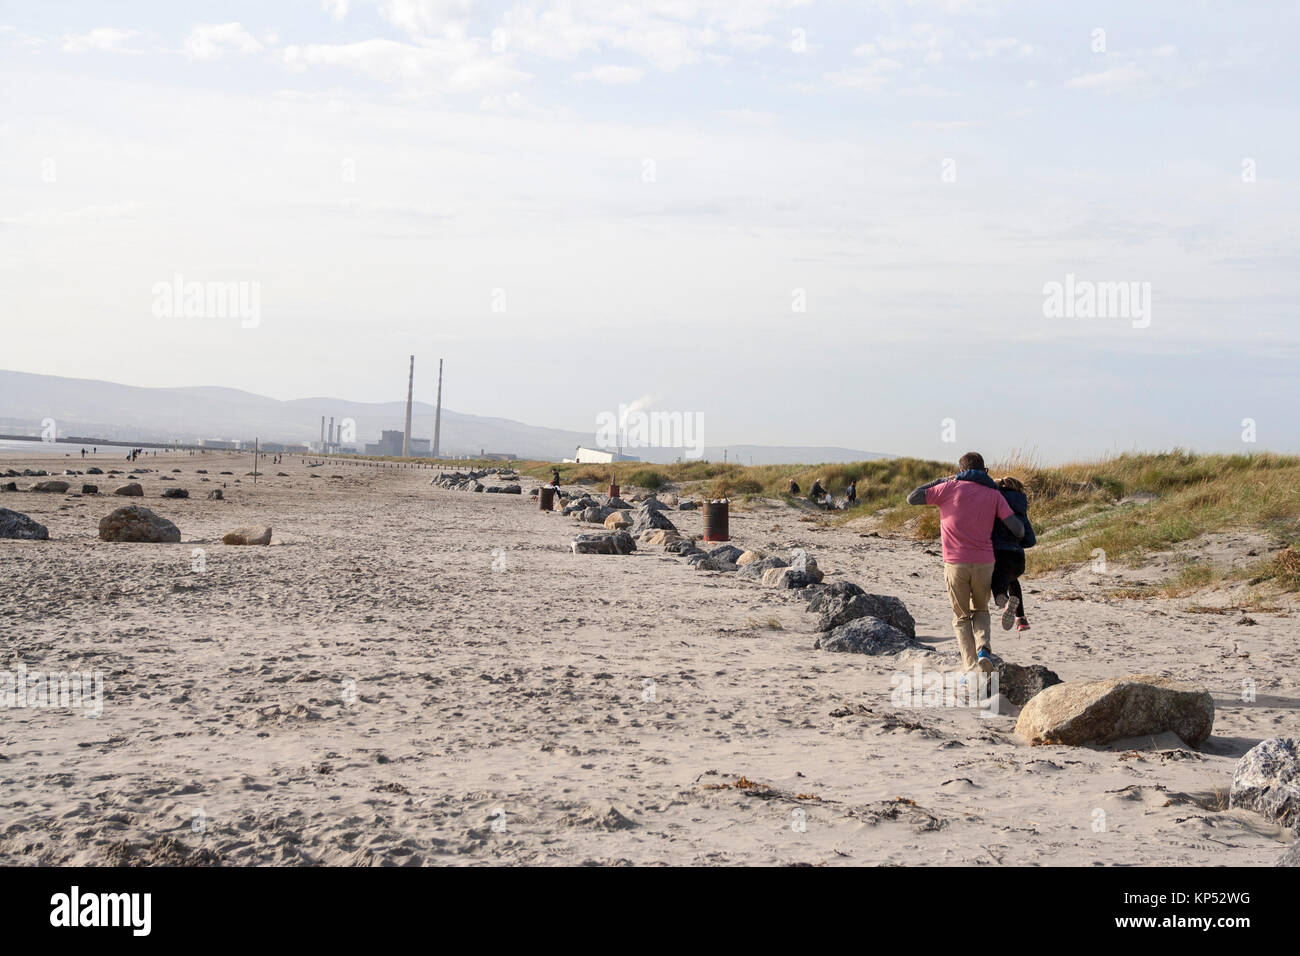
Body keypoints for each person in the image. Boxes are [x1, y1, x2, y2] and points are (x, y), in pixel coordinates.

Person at [907, 452, 1023, 674]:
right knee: (980, 610)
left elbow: (912, 497)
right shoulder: (993, 494)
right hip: (985, 563)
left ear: (961, 470)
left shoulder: (948, 488)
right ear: (984, 470)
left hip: (955, 563)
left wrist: (945, 480)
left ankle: (970, 666)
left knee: (961, 618)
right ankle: (983, 651)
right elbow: (1017, 529)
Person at [992, 476, 1035, 632]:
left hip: (998, 556)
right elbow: (1031, 540)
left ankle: (1004, 602)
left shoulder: (995, 505)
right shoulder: (1021, 512)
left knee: (997, 581)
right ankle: (1021, 619)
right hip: (1018, 559)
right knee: (1013, 579)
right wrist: (1016, 543)